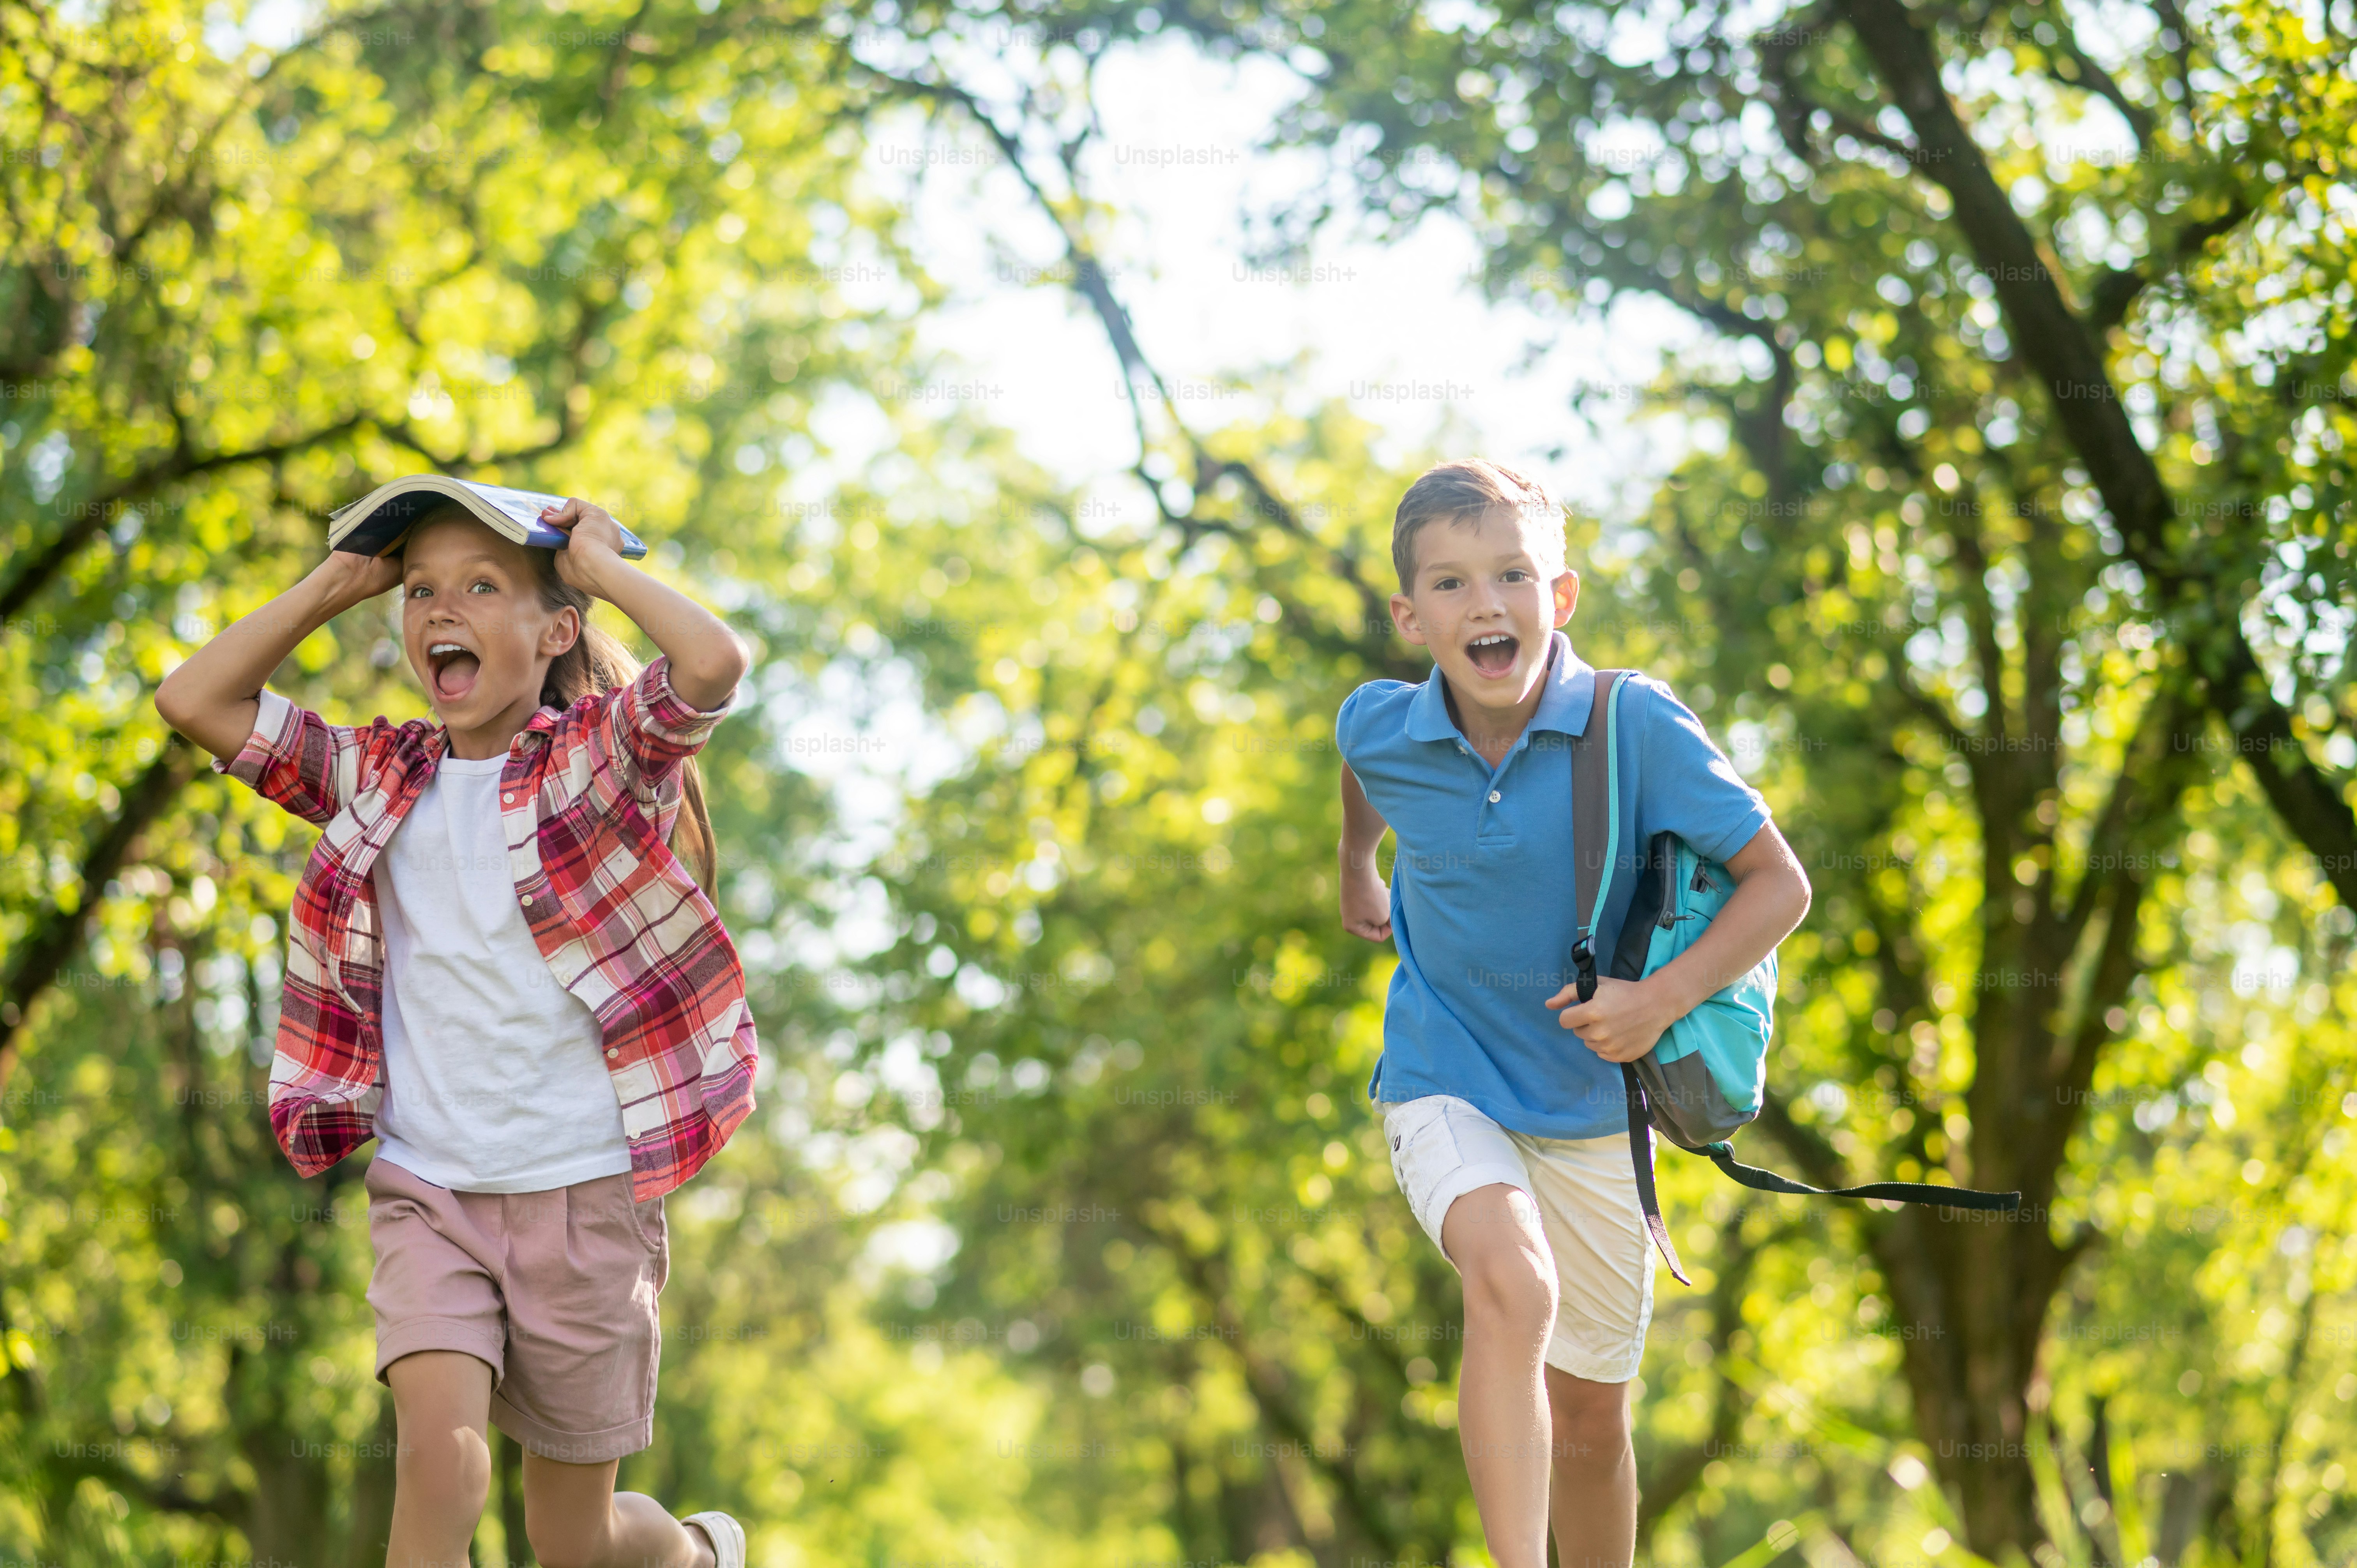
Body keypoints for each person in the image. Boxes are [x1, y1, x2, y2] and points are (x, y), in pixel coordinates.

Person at [155, 496, 757, 1568]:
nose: (443, 607)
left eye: (483, 584)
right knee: (444, 1469)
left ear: (554, 631)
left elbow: (711, 664)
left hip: (583, 1198)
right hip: (432, 1192)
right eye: (423, 587)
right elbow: (196, 697)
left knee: (574, 1545)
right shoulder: (377, 777)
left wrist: (599, 566)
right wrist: (339, 582)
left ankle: (691, 1555)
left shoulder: (596, 764)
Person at [1334, 459, 1811, 1568]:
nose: (1485, 605)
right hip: (1442, 1072)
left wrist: (1659, 1002)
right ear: (1412, 617)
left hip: (1597, 1105)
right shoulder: (1384, 726)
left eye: (1512, 575)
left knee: (1593, 1423)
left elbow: (1779, 884)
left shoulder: (1632, 723)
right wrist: (1358, 868)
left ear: (1561, 598)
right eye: (1449, 586)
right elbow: (1362, 767)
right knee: (1514, 1284)